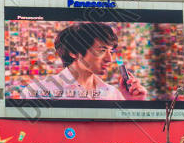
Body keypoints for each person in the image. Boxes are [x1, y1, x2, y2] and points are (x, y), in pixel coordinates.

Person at [15, 21, 149, 101]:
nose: (109, 59)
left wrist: (132, 104)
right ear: (73, 52)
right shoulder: (37, 92)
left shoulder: (112, 94)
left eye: (111, 51)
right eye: (102, 50)